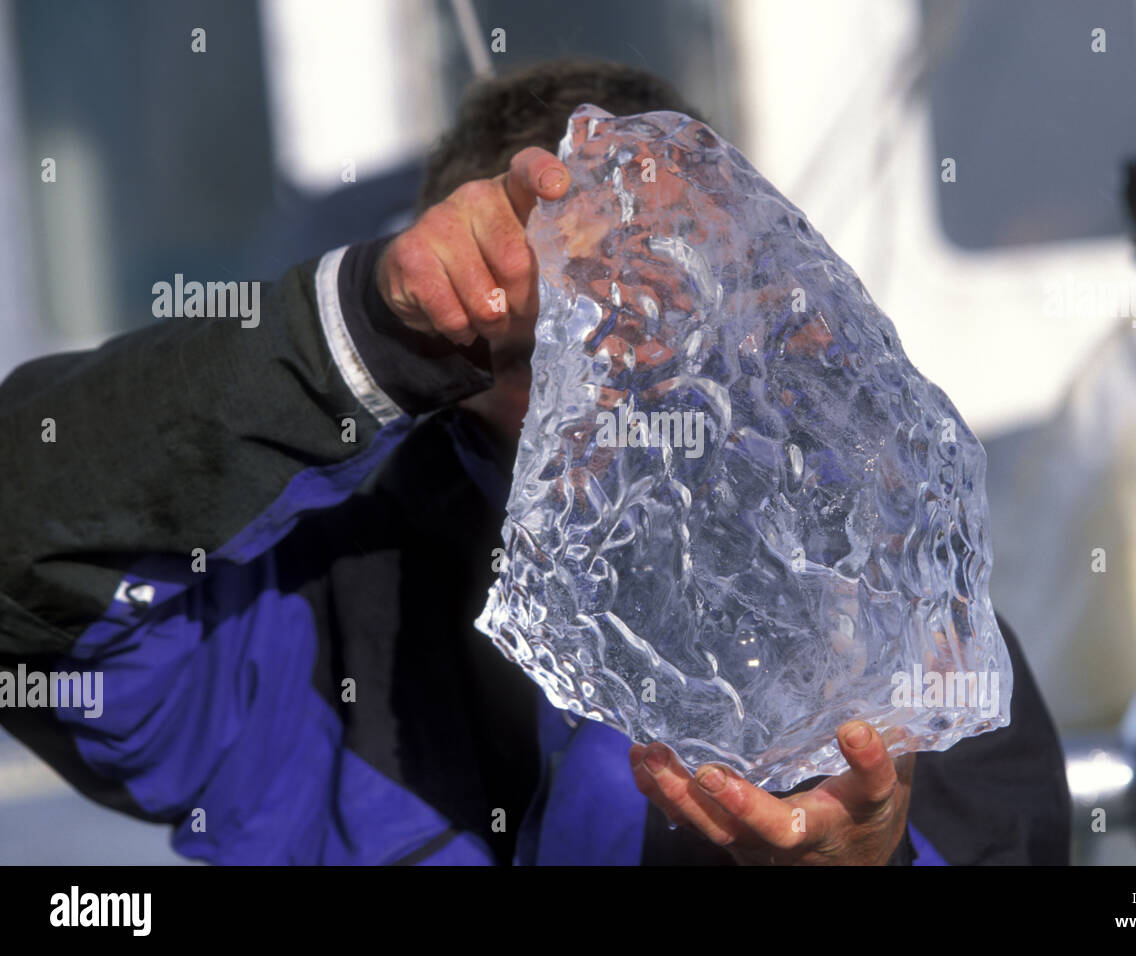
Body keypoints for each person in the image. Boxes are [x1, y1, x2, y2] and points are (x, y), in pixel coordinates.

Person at [0, 60, 1069, 865]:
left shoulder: (908, 635)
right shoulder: (307, 630)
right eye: (547, 321)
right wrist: (368, 326)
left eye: (674, 299)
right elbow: (24, 566)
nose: (623, 370)